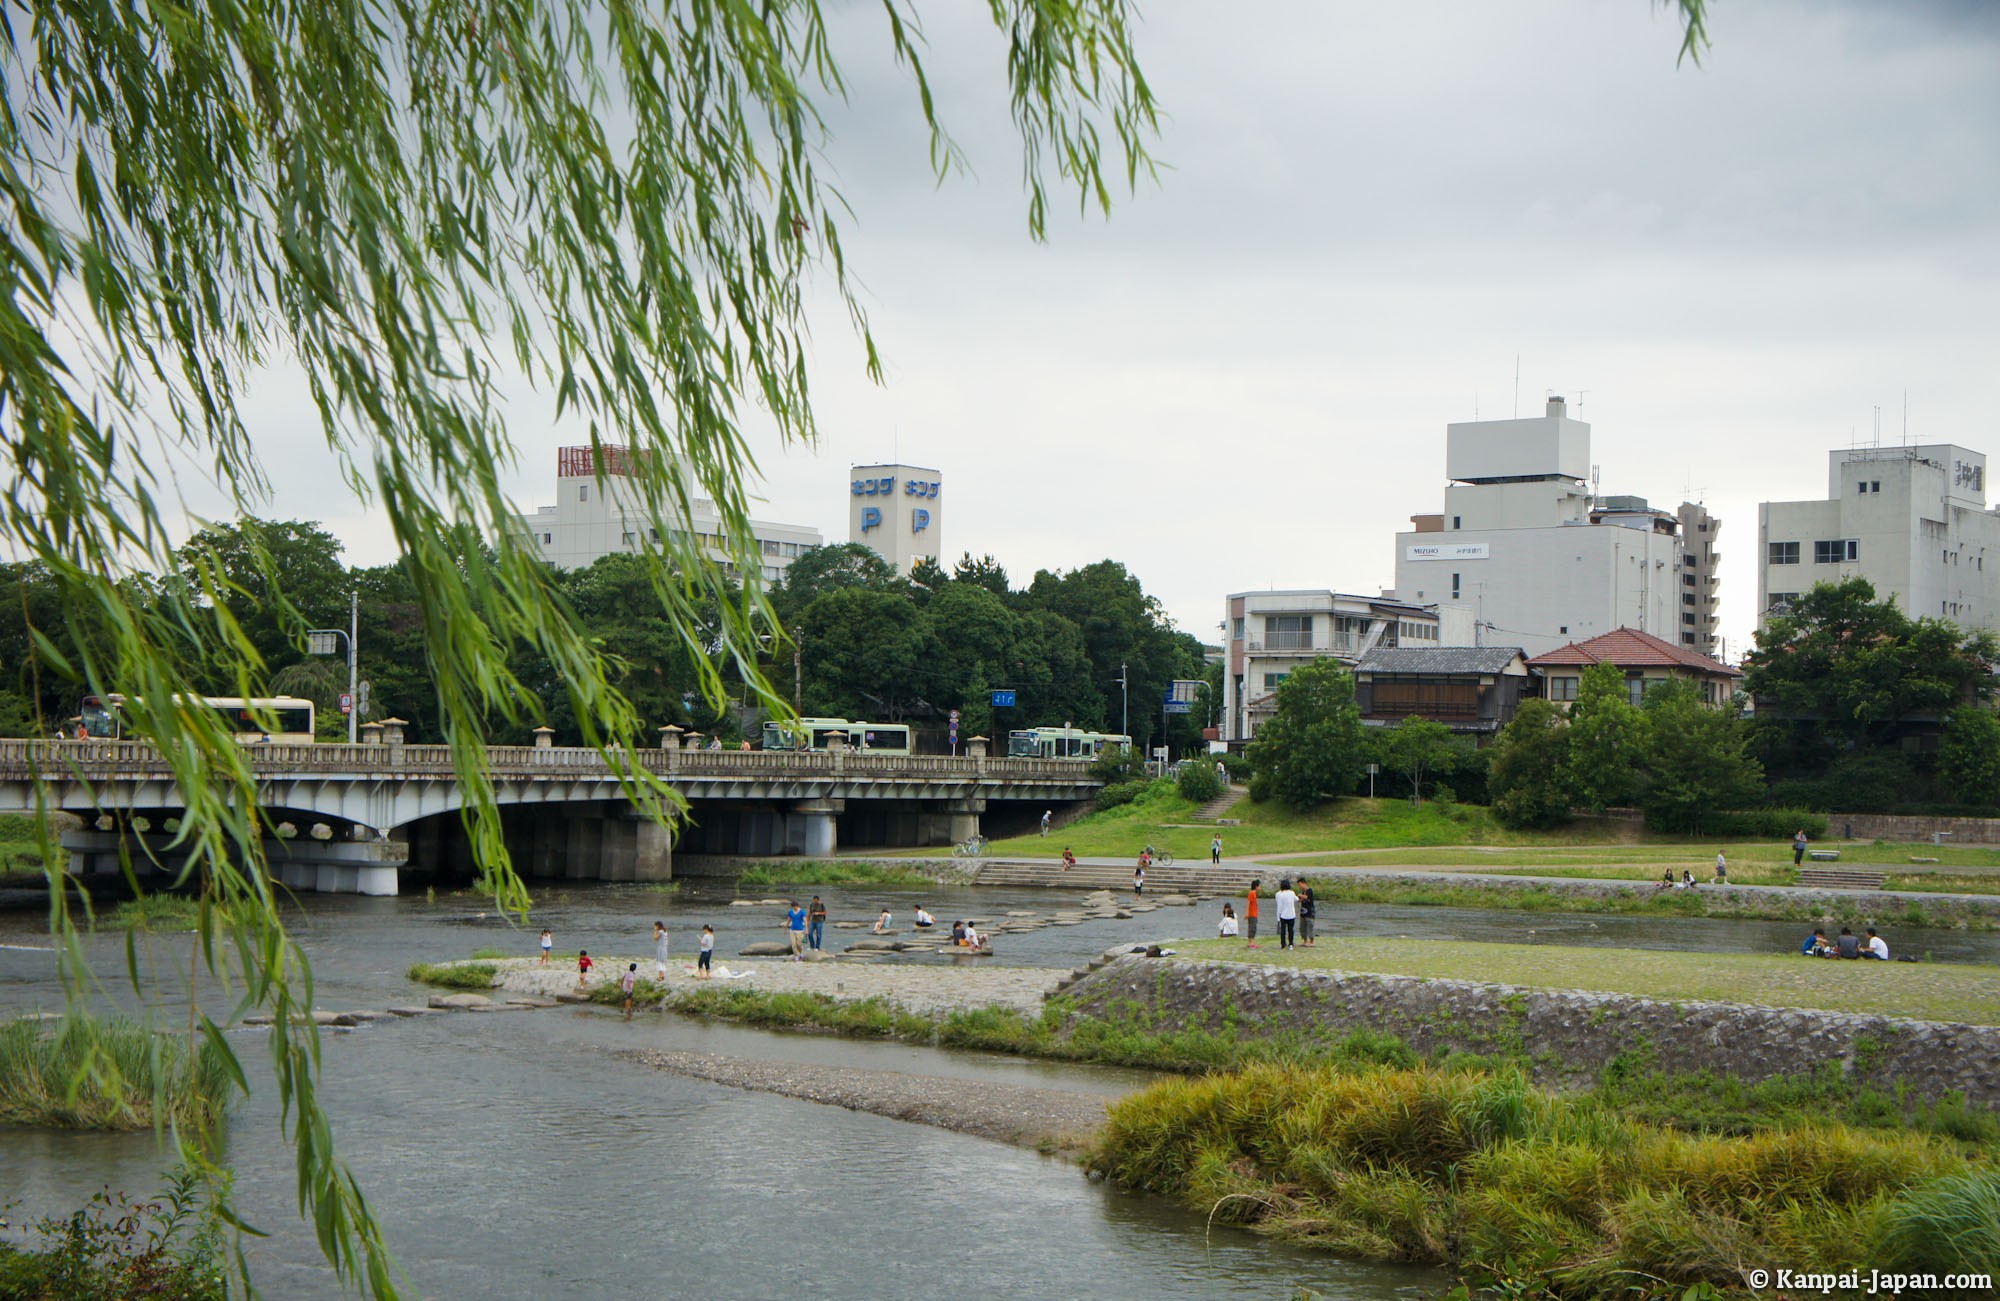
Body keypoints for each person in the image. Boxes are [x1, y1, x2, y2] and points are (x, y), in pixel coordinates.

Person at [1274, 878, 1299, 950]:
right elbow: (1296, 899)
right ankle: (1291, 944)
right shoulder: (1292, 893)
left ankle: (1283, 944)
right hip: (1291, 915)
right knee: (1291, 930)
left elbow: (1279, 906)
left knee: (1283, 930)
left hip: (1283, 915)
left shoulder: (1280, 894)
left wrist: (1278, 916)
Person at [1297, 879, 1316, 947]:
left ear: (1303, 883)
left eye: (1299, 884)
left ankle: (1312, 941)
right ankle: (1305, 940)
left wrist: (1300, 895)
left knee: (1310, 926)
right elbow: (1300, 899)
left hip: (1310, 912)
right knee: (1302, 927)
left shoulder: (1309, 890)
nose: (1299, 886)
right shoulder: (1303, 891)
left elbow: (1307, 897)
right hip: (1303, 912)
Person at [1244, 880, 1260, 948]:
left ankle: (1252, 941)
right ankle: (1251, 942)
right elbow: (1248, 902)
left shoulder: (1254, 893)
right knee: (1252, 928)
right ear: (1256, 886)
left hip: (1254, 913)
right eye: (1259, 886)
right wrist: (1247, 913)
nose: (1260, 888)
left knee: (1254, 927)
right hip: (1252, 914)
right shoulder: (1252, 893)